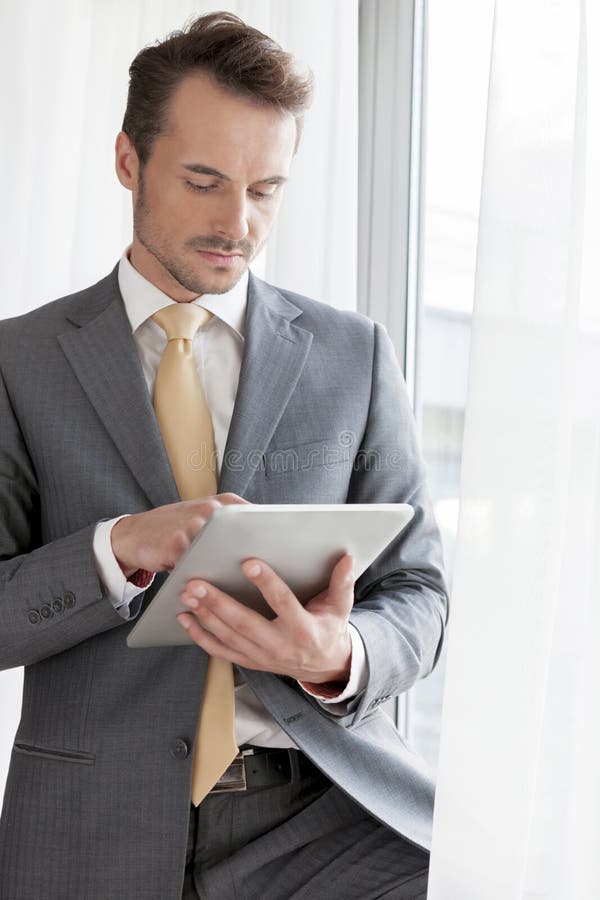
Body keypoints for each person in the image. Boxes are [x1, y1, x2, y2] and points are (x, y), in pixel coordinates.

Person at [0, 12, 448, 900]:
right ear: (128, 161)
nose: (235, 222)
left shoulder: (352, 355)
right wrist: (118, 548)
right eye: (204, 180)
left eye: (265, 189)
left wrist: (338, 653)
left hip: (328, 824)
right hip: (91, 824)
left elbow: (422, 593)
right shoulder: (19, 363)